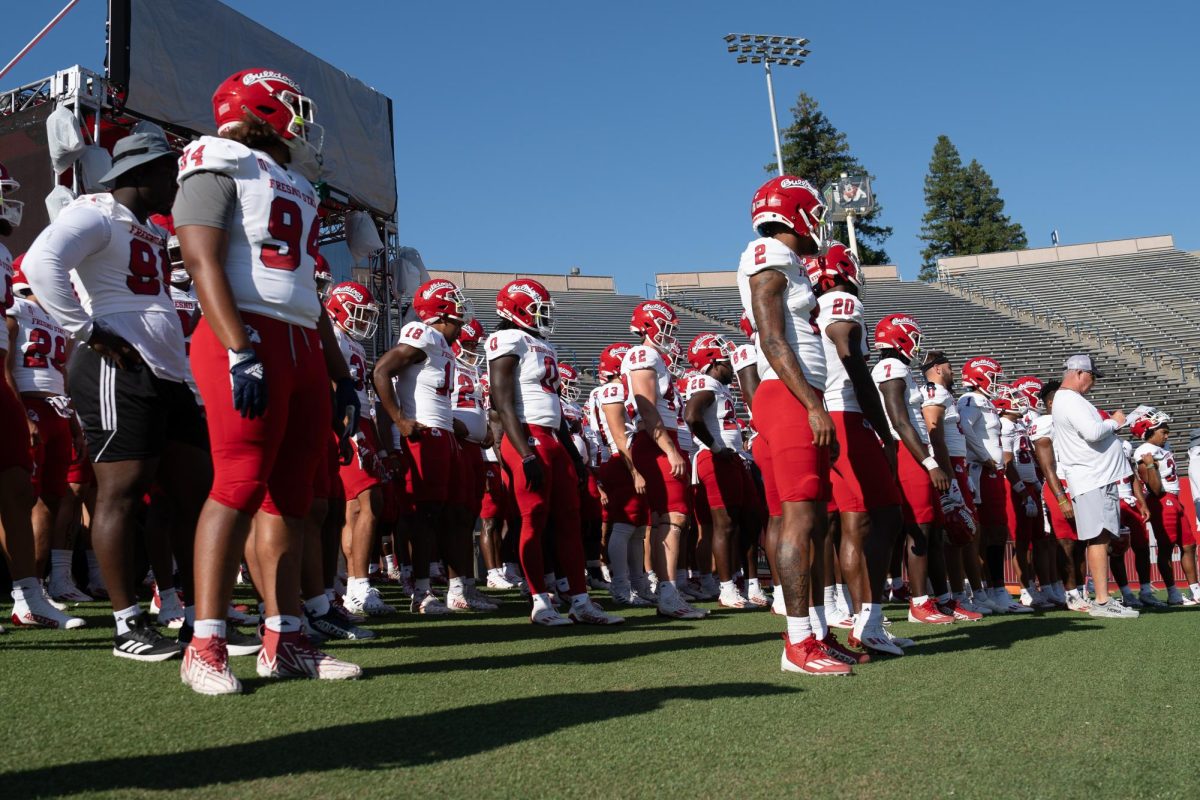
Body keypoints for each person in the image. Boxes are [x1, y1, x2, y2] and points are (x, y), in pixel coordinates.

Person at [173, 70, 363, 693]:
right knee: (238, 481)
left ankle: (284, 638)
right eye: (295, 109)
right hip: (247, 334)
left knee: (294, 497)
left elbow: (305, 287)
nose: (305, 122)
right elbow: (200, 257)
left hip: (301, 339)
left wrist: (340, 376)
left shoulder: (298, 184)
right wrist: (238, 348)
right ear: (263, 108)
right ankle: (206, 643)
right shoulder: (219, 158)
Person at [27, 131, 217, 654]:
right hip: (116, 368)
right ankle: (127, 624)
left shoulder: (147, 227)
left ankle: (199, 618)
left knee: (193, 491)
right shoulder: (96, 211)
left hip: (165, 373)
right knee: (120, 491)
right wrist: (87, 330)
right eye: (166, 174)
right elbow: (43, 263)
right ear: (139, 174)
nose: (173, 184)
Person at [738, 175, 852, 676]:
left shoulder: (787, 262)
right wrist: (811, 402)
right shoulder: (769, 255)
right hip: (789, 396)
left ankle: (818, 634)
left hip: (796, 395)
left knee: (812, 519)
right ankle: (798, 643)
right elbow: (770, 336)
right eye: (815, 211)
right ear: (797, 212)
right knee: (798, 521)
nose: (820, 223)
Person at [485, 278, 621, 626]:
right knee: (533, 519)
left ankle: (579, 599)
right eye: (536, 309)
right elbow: (501, 401)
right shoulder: (507, 339)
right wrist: (524, 452)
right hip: (527, 437)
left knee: (569, 522)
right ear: (515, 309)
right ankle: (540, 602)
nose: (543, 316)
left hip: (553, 439)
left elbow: (556, 408)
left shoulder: (543, 345)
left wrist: (574, 458)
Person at [808, 245, 906, 655]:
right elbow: (847, 349)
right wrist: (882, 429)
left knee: (855, 522)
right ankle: (869, 618)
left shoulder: (815, 304)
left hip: (832, 415)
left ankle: (863, 617)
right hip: (847, 416)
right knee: (881, 518)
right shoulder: (841, 300)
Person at [0, 165, 85, 632]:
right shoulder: (20, 308)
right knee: (22, 493)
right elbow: (11, 353)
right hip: (25, 397)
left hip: (41, 403)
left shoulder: (51, 316)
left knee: (34, 493)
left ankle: (35, 592)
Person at [373, 278, 469, 615]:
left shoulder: (444, 347)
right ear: (440, 311)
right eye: (454, 306)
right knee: (423, 516)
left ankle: (458, 591)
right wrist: (399, 420)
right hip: (424, 436)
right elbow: (382, 370)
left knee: (455, 514)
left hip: (445, 435)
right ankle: (421, 592)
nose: (461, 316)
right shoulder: (423, 334)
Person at [622, 300, 706, 620]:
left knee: (668, 520)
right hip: (656, 441)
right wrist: (670, 449)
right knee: (674, 519)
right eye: (667, 329)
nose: (671, 337)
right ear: (649, 326)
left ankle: (669, 591)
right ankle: (668, 594)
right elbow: (647, 408)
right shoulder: (644, 354)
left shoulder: (656, 357)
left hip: (660, 440)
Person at [871, 314, 955, 628]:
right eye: (913, 338)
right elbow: (899, 420)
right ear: (901, 338)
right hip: (907, 451)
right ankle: (918, 603)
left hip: (915, 450)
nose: (917, 346)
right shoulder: (890, 367)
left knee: (932, 527)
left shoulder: (901, 368)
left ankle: (941, 600)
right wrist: (930, 462)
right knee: (919, 528)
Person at [1049, 355, 1138, 618]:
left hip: (1094, 476)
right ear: (1079, 373)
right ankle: (1101, 600)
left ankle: (1102, 598)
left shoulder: (1067, 399)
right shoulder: (1070, 399)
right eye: (1092, 376)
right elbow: (1093, 432)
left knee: (1100, 536)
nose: (1094, 382)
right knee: (1098, 537)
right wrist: (1116, 421)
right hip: (1092, 477)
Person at [325, 281, 394, 616]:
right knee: (367, 503)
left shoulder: (352, 343)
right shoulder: (332, 336)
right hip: (348, 422)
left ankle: (349, 583)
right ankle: (357, 585)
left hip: (361, 423)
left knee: (358, 508)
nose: (364, 320)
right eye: (359, 312)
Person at [683, 333, 756, 610]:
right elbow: (692, 416)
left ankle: (745, 584)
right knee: (724, 524)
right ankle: (726, 588)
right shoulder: (705, 382)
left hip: (731, 457)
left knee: (746, 521)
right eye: (726, 361)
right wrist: (714, 447)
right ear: (712, 361)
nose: (731, 366)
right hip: (715, 458)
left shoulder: (717, 385)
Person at [958, 357, 1031, 615]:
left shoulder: (985, 402)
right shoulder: (970, 400)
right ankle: (986, 590)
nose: (998, 383)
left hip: (992, 474)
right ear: (980, 376)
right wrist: (984, 457)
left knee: (997, 532)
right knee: (984, 533)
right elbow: (964, 428)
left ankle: (995, 589)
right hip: (980, 472)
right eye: (994, 377)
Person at [920, 351, 988, 619]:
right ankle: (956, 596)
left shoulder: (940, 393)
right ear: (937, 369)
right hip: (950, 465)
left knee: (962, 533)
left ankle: (962, 594)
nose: (952, 372)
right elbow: (934, 431)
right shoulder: (936, 393)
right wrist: (950, 479)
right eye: (948, 367)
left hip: (957, 464)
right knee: (957, 532)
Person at [588, 342, 653, 606]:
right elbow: (618, 434)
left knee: (637, 529)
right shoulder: (613, 389)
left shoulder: (608, 389)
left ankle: (638, 584)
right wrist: (634, 469)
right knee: (625, 527)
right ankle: (621, 586)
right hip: (620, 458)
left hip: (620, 458)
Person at [1131, 409, 1200, 605]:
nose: (1167, 435)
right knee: (1166, 548)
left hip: (1174, 499)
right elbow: (1155, 488)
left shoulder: (1161, 448)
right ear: (1149, 431)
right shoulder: (1145, 451)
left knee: (1189, 545)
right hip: (1161, 500)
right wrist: (1150, 465)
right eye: (1163, 431)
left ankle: (1196, 591)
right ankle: (1173, 593)